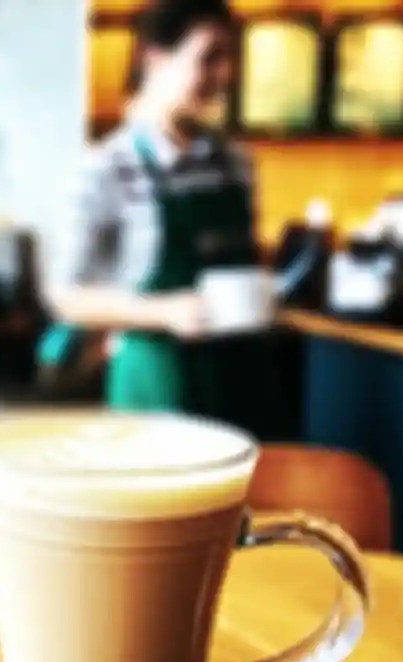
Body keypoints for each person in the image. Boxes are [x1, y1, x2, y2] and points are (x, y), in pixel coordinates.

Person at [45, 0, 285, 437]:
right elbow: (65, 296)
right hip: (157, 385)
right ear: (155, 57)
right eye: (209, 57)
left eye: (228, 57)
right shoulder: (107, 168)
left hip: (242, 381)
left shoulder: (236, 163)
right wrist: (164, 311)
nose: (223, 75)